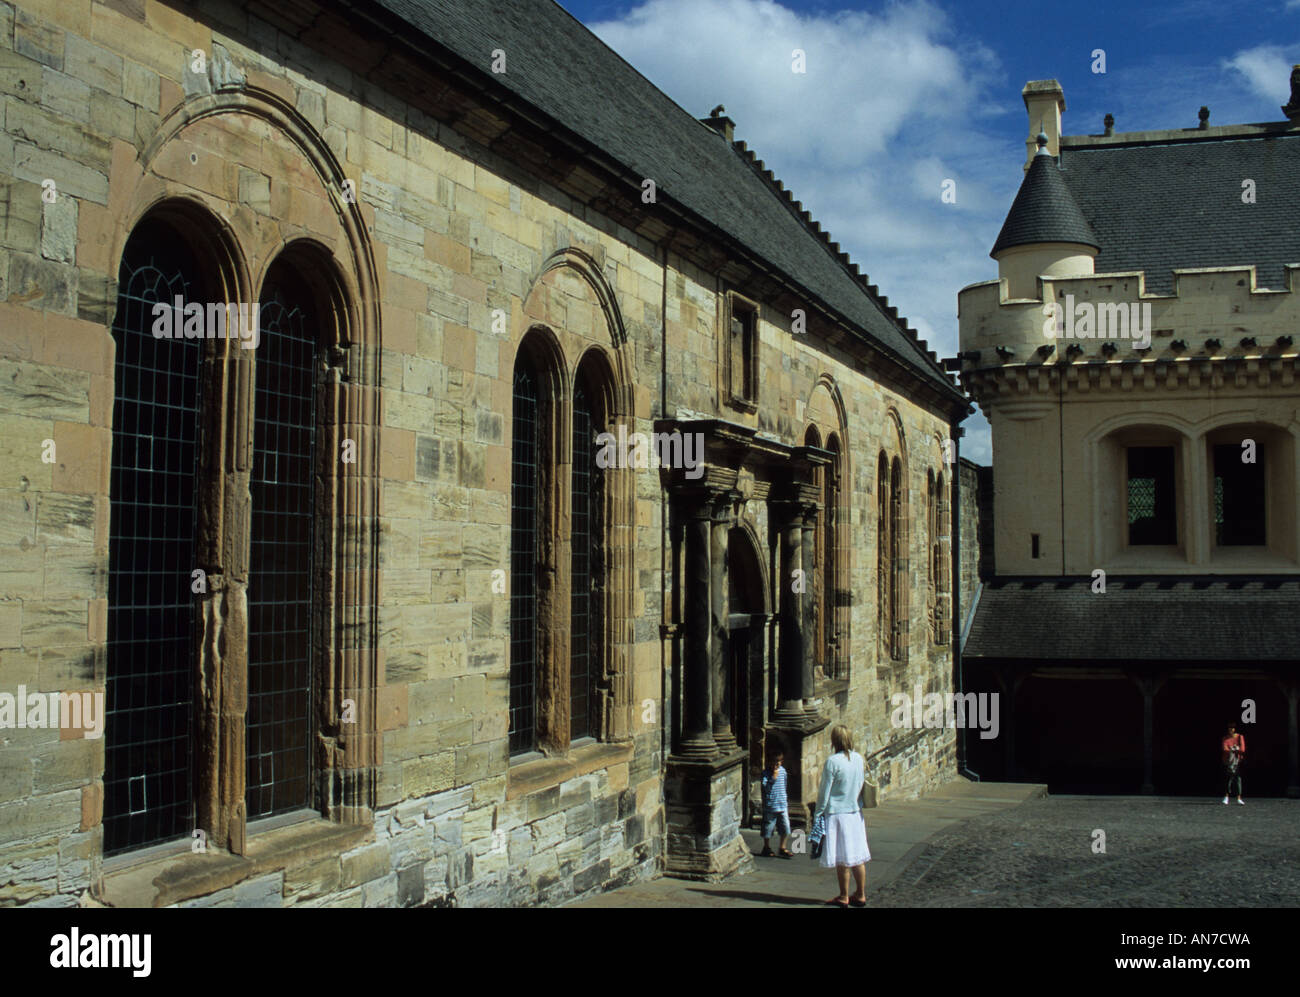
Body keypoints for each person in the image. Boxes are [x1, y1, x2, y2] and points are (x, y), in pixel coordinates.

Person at [815, 724, 870, 907]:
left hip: (837, 814)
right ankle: (861, 894)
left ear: (834, 741)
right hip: (855, 813)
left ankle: (844, 895)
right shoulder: (859, 759)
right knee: (857, 856)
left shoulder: (832, 762)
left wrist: (818, 813)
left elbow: (824, 792)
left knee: (843, 857)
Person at [759, 747, 792, 858]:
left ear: (781, 762)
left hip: (782, 804)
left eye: (778, 762)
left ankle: (782, 847)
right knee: (768, 827)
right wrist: (772, 778)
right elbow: (765, 788)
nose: (775, 764)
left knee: (785, 827)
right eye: (773, 761)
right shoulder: (765, 774)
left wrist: (784, 798)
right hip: (770, 805)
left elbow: (785, 785)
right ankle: (766, 847)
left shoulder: (783, 771)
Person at [1221, 723, 1246, 805]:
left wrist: (1235, 749)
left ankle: (1239, 797)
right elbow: (1225, 748)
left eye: (1232, 728)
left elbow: (1242, 749)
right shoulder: (1225, 738)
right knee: (1228, 778)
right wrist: (1233, 749)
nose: (1231, 729)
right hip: (1229, 761)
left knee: (1238, 778)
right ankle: (1226, 796)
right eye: (1229, 728)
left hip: (1237, 761)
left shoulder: (1239, 737)